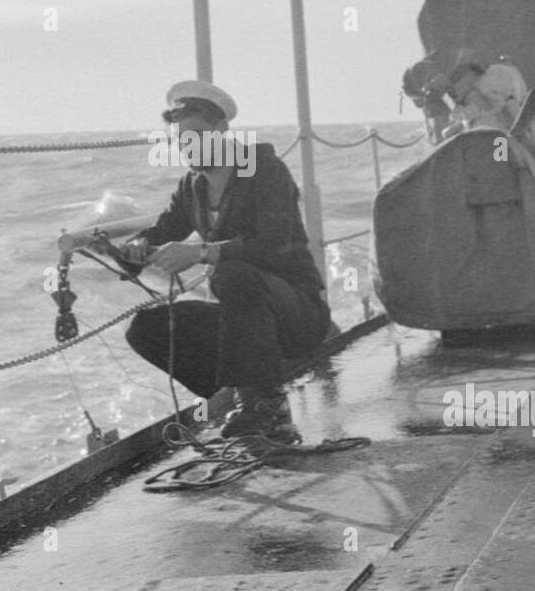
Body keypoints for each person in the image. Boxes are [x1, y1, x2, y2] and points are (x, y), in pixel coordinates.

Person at [57, 81, 332, 443]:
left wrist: (201, 252)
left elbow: (275, 244)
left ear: (222, 129)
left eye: (197, 136)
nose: (189, 147)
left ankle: (267, 405)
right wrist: (129, 249)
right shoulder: (192, 188)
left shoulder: (264, 170)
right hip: (246, 321)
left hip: (297, 314)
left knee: (232, 274)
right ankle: (244, 399)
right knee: (146, 328)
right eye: (181, 140)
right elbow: (160, 231)